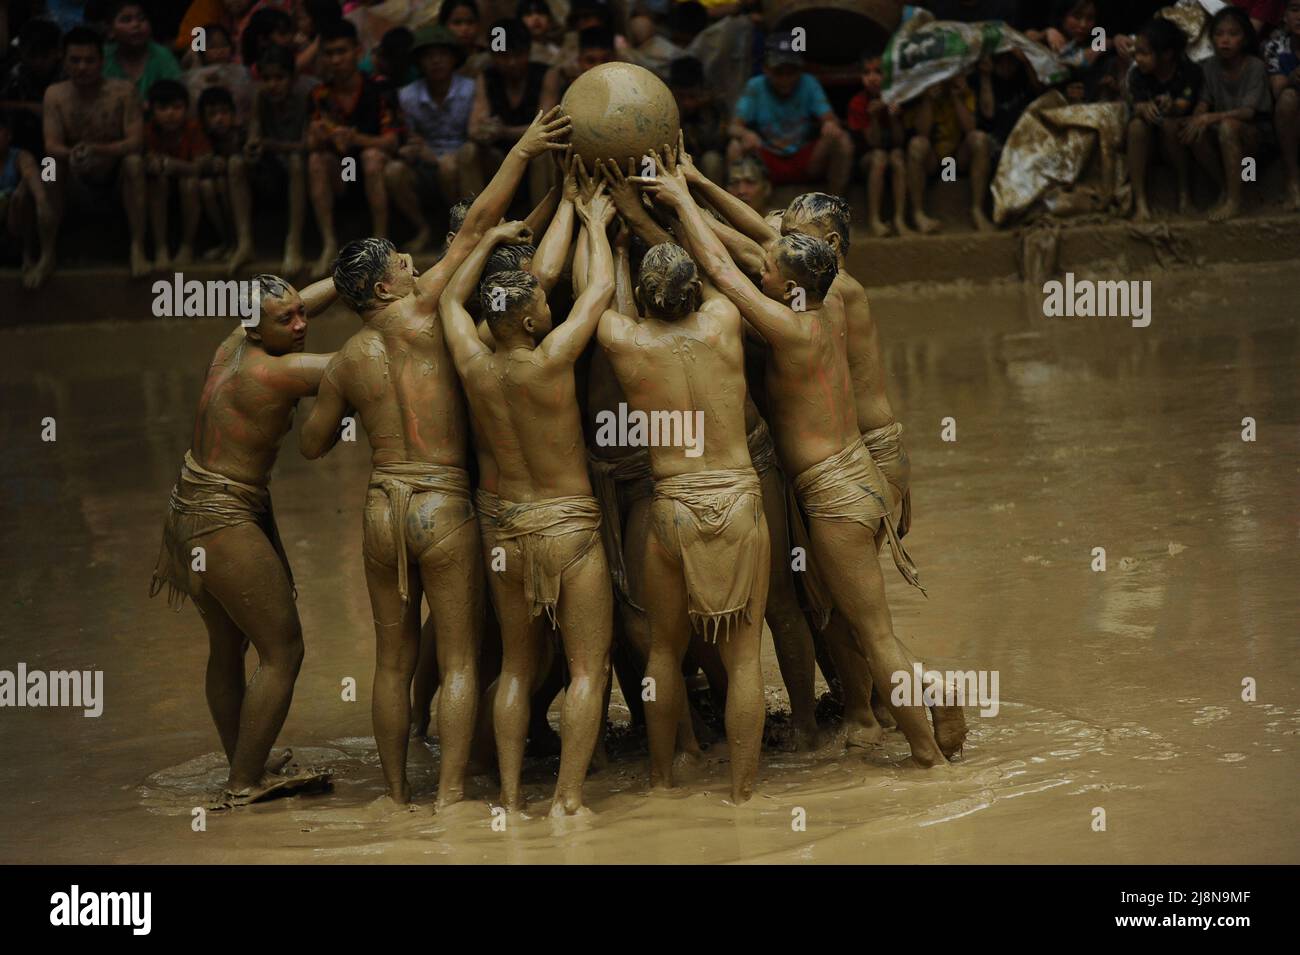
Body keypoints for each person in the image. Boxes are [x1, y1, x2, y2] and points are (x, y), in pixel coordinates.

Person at [635, 151, 969, 770]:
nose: (763, 260)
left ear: (791, 283)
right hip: (854, 477)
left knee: (871, 628)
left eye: (772, 265)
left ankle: (929, 756)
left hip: (837, 491)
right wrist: (694, 185)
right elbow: (758, 246)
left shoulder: (788, 326)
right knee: (856, 617)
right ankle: (923, 706)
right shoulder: (827, 301)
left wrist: (681, 202)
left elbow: (721, 270)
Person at [298, 106, 571, 809]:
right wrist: (523, 146)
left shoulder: (347, 360)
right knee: (456, 660)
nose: (415, 264)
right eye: (402, 264)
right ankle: (450, 796)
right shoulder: (426, 313)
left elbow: (311, 443)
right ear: (385, 288)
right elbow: (478, 224)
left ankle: (394, 797)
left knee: (390, 661)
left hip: (382, 507)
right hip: (442, 506)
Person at [438, 188, 616, 816]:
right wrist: (595, 223)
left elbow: (450, 301)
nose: (549, 298)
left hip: (504, 533)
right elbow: (598, 294)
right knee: (587, 670)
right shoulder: (554, 360)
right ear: (536, 321)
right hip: (568, 529)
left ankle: (510, 802)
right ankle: (568, 801)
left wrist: (484, 241)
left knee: (515, 666)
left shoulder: (471, 362)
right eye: (543, 298)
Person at [593, 217, 771, 802]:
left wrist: (612, 240)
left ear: (644, 301)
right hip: (739, 501)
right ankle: (743, 794)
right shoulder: (724, 324)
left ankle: (662, 782)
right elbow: (719, 266)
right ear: (695, 292)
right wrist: (667, 208)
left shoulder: (626, 341)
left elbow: (602, 297)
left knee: (663, 651)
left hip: (673, 509)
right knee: (744, 659)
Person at [150, 272, 339, 809]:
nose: (302, 324)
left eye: (302, 312)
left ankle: (244, 757)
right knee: (284, 650)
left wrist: (344, 282)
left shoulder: (231, 343)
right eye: (288, 320)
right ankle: (245, 782)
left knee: (228, 646)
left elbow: (300, 306)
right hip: (221, 519)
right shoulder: (277, 373)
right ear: (257, 329)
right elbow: (365, 361)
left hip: (187, 511)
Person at [43, 26, 150, 278]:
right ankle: (47, 251)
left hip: (115, 176)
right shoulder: (54, 94)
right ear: (64, 60)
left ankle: (138, 247)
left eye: (89, 60)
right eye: (75, 60)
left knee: (134, 163)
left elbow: (136, 142)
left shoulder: (123, 91)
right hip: (74, 176)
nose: (82, 67)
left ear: (102, 61)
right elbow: (51, 144)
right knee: (49, 165)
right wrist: (74, 154)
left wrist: (99, 150)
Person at [306, 17, 400, 275]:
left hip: (375, 171)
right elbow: (312, 142)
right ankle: (328, 244)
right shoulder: (320, 95)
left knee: (371, 156)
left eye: (342, 52)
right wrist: (318, 137)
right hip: (342, 173)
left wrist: (357, 139)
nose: (336, 60)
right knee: (316, 160)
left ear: (357, 52)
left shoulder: (379, 88)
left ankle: (381, 244)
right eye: (329, 53)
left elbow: (392, 142)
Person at [386, 25, 477, 251]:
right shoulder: (407, 95)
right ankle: (423, 228)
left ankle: (461, 229)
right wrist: (410, 148)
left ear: (454, 58)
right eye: (428, 56)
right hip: (423, 162)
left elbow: (475, 136)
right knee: (393, 171)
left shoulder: (470, 89)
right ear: (419, 61)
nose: (436, 61)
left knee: (449, 165)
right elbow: (407, 136)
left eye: (442, 55)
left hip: (463, 162)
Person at [726, 34, 852, 198]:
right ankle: (734, 207)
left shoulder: (809, 83)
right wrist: (745, 133)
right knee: (735, 146)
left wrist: (830, 124)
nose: (785, 79)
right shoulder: (755, 86)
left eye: (791, 72)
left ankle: (835, 204)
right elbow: (733, 127)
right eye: (779, 72)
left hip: (804, 159)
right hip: (767, 159)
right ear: (766, 69)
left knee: (842, 140)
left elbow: (830, 119)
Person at [1181, 6, 1273, 222]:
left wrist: (1209, 117)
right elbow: (1204, 101)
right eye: (1219, 34)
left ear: (1245, 38)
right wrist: (1197, 117)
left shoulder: (1255, 67)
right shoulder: (1209, 67)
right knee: (1194, 130)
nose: (1225, 40)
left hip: (1255, 140)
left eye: (1233, 34)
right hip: (1225, 134)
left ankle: (1234, 200)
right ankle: (1227, 189)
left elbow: (1248, 112)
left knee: (1228, 126)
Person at [468, 19, 550, 208]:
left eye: (518, 55)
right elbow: (474, 127)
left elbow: (546, 127)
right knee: (468, 153)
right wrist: (484, 131)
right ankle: (474, 223)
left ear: (528, 52)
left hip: (535, 152)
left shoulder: (546, 75)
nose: (511, 63)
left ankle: (540, 227)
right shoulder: (486, 77)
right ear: (493, 55)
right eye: (504, 56)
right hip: (499, 155)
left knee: (542, 155)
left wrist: (505, 131)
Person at [1126, 17, 1202, 221]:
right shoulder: (1137, 75)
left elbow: (1185, 106)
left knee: (1170, 125)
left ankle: (1185, 195)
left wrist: (1173, 106)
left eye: (1144, 53)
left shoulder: (1189, 72)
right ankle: (1140, 203)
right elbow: (1134, 104)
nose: (1138, 59)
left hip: (1181, 144)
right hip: (1148, 145)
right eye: (1136, 53)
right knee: (1136, 127)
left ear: (1167, 54)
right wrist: (1142, 108)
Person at [245, 44, 311, 274]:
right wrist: (252, 145)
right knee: (235, 165)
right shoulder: (260, 97)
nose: (273, 85)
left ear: (292, 77)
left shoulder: (307, 95)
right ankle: (243, 242)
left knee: (295, 162)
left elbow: (308, 144)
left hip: (303, 165)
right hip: (272, 165)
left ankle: (293, 243)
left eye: (279, 78)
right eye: (267, 78)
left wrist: (273, 145)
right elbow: (254, 130)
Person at [904, 70, 994, 233]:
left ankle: (977, 210)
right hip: (933, 160)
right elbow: (922, 132)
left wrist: (955, 96)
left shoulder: (964, 92)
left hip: (955, 160)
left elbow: (970, 129)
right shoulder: (920, 93)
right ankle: (918, 214)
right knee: (917, 145)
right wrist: (928, 99)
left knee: (979, 139)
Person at [143, 79, 205, 270]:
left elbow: (201, 167)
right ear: (152, 110)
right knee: (158, 181)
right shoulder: (149, 131)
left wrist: (172, 164)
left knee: (190, 182)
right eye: (163, 108)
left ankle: (187, 246)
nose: (170, 113)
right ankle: (161, 248)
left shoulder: (193, 128)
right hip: (159, 187)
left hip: (189, 187)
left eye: (177, 107)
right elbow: (147, 163)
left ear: (186, 109)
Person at [848, 53, 908, 238]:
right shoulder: (858, 103)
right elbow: (874, 144)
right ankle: (875, 219)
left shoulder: (899, 97)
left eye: (878, 72)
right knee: (880, 157)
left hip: (896, 153)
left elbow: (899, 141)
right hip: (868, 159)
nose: (873, 78)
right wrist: (873, 116)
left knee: (897, 155)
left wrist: (894, 117)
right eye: (867, 73)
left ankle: (899, 219)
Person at [195, 85, 255, 269]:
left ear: (233, 113)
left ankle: (241, 243)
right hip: (220, 187)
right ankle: (228, 242)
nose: (219, 119)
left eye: (224, 112)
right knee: (209, 185)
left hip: (248, 189)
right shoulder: (202, 136)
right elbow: (199, 163)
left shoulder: (242, 134)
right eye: (212, 114)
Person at [0, 111, 57, 290]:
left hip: (14, 228)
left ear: (8, 135)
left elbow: (39, 194)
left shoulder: (21, 157)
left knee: (22, 196)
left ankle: (28, 256)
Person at [0, 18, 63, 159]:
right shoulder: (13, 72)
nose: (38, 62)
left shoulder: (67, 74)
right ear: (21, 51)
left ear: (58, 52)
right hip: (17, 144)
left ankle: (48, 179)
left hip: (54, 146)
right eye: (32, 56)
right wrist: (27, 107)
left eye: (44, 56)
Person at [103, 1, 182, 100]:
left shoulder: (163, 56)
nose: (136, 25)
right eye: (126, 20)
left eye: (142, 19)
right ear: (110, 31)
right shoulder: (102, 57)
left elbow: (176, 97)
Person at [1265, 0, 1300, 208]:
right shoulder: (1275, 46)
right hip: (1290, 120)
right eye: (1295, 10)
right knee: (1288, 98)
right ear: (1284, 16)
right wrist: (1292, 78)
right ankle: (1292, 178)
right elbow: (1277, 90)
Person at [670, 56, 726, 185]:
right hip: (673, 165)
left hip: (703, 166)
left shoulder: (715, 107)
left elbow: (718, 143)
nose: (687, 103)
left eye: (692, 96)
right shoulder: (663, 106)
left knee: (712, 160)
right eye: (681, 96)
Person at [184, 22, 253, 124]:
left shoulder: (242, 72)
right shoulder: (192, 79)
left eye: (224, 45)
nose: (220, 51)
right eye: (213, 47)